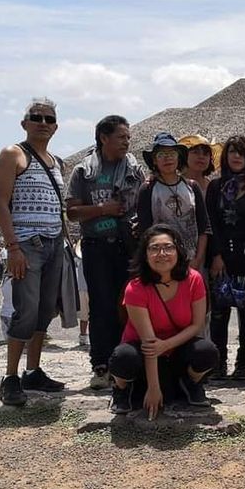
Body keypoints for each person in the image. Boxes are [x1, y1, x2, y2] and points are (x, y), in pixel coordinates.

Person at [0, 97, 68, 405]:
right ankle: (10, 376)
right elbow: (0, 202)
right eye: (36, 117)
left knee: (45, 310)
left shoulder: (57, 162)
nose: (43, 123)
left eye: (49, 119)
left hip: (53, 243)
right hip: (27, 243)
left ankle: (33, 369)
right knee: (25, 309)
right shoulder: (13, 154)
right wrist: (12, 247)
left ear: (56, 127)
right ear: (24, 123)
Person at [67, 115, 146, 390]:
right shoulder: (83, 171)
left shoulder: (135, 170)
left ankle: (126, 362)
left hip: (128, 246)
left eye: (128, 137)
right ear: (104, 138)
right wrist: (103, 210)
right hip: (96, 246)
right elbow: (72, 212)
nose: (127, 141)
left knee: (128, 305)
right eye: (122, 136)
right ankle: (101, 364)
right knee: (100, 306)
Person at [108, 224, 220, 417]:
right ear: (145, 254)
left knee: (207, 351)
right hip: (143, 353)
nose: (162, 253)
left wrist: (166, 344)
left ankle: (191, 383)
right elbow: (149, 343)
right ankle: (122, 389)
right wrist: (153, 388)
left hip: (176, 350)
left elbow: (197, 325)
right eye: (154, 248)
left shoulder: (194, 279)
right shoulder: (135, 287)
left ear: (178, 250)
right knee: (123, 357)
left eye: (168, 247)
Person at [205, 135, 245, 380]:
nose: (236, 156)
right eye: (232, 152)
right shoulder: (215, 187)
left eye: (241, 152)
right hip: (222, 258)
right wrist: (217, 255)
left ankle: (242, 363)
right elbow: (211, 223)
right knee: (220, 313)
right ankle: (219, 361)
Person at [135, 132, 210, 271]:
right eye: (161, 155)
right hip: (162, 262)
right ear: (154, 160)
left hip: (193, 260)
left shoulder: (192, 187)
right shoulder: (147, 189)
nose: (167, 158)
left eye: (171, 154)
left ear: (179, 157)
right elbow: (145, 231)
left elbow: (204, 226)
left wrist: (198, 259)